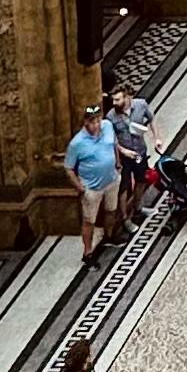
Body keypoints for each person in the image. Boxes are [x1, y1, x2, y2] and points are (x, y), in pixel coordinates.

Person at [65, 105, 122, 265]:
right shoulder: (77, 143)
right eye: (92, 122)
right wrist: (80, 188)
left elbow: (114, 145)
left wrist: (117, 163)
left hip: (111, 180)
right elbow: (68, 168)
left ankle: (109, 236)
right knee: (89, 221)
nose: (96, 125)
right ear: (85, 122)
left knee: (111, 210)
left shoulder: (108, 126)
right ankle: (88, 252)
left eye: (98, 120)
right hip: (91, 188)